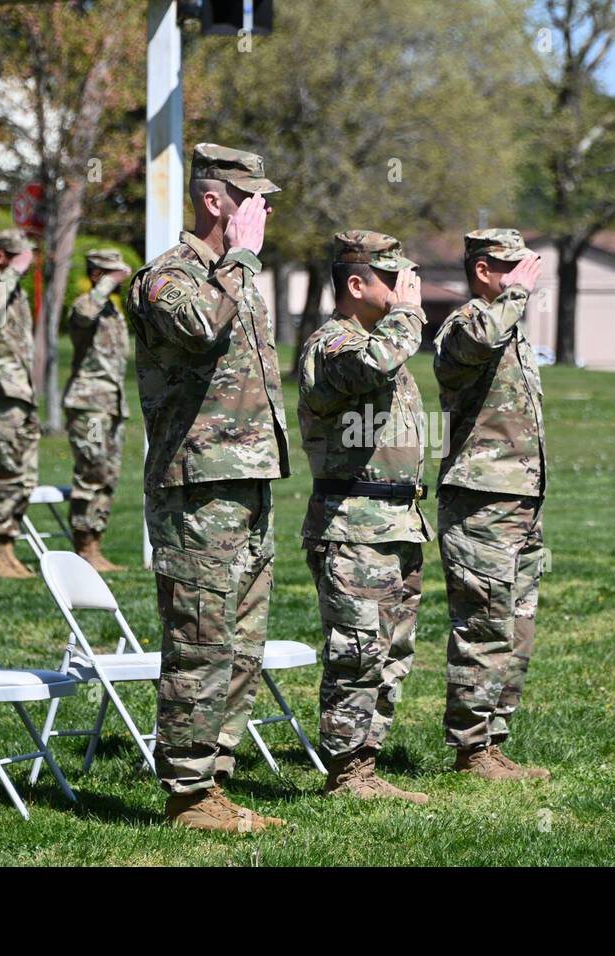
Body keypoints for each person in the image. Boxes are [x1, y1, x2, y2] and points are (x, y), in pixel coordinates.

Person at [125, 143, 290, 833]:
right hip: (196, 489)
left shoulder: (236, 279)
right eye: (252, 197)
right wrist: (242, 261)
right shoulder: (167, 278)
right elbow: (196, 330)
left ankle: (215, 782)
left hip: (247, 482)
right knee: (200, 641)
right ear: (215, 200)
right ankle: (187, 793)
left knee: (243, 644)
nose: (266, 209)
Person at [297, 230, 430, 804]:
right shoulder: (334, 346)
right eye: (393, 279)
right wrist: (410, 314)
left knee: (392, 651)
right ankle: (346, 772)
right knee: (356, 651)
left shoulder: (378, 342)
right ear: (357, 284)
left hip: (396, 522)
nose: (405, 291)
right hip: (352, 524)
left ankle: (367, 764)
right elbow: (375, 364)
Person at [433, 228, 551, 781]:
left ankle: (495, 739)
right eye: (513, 269)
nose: (526, 278)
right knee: (483, 624)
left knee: (517, 625)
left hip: (522, 500)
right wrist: (515, 298)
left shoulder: (513, 331)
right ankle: (471, 748)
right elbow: (475, 343)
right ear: (484, 271)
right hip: (480, 502)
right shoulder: (467, 324)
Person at [63, 248, 132, 572]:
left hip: (111, 404)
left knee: (107, 475)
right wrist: (105, 285)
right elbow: (82, 317)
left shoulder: (111, 311)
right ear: (95, 275)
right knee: (91, 472)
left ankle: (96, 542)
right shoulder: (86, 304)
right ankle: (83, 546)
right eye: (111, 273)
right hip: (89, 404)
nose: (120, 278)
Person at [0, 229, 38, 579]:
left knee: (23, 475)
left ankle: (7, 546)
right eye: (19, 255)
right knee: (4, 470)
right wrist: (12, 273)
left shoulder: (16, 291)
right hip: (0, 396)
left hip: (21, 394)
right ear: (1, 257)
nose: (27, 261)